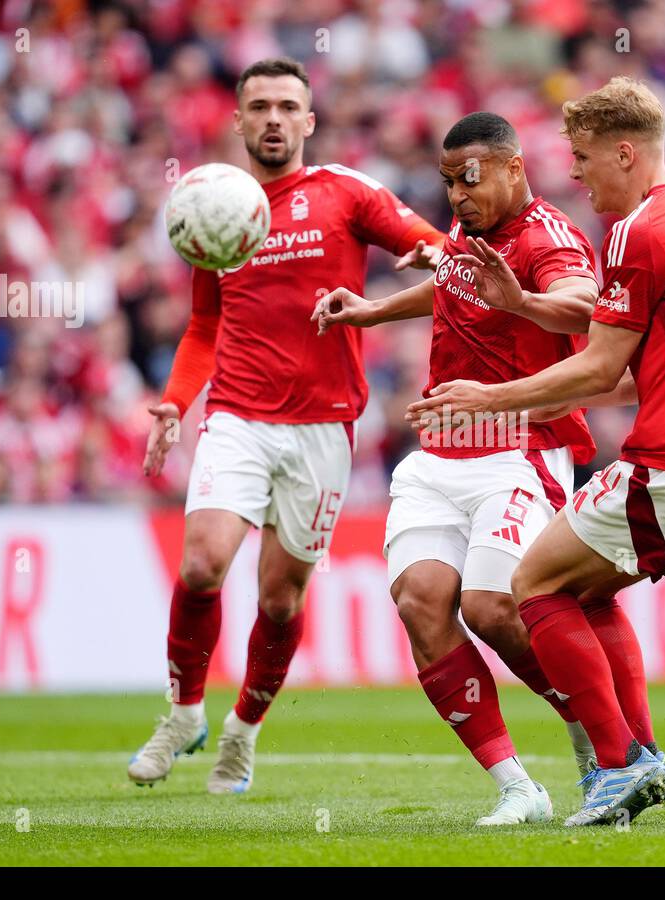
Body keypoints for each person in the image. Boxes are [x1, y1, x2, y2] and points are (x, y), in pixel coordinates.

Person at [407, 78, 665, 826]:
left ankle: (618, 764)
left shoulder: (635, 231)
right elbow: (632, 376)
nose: (574, 174)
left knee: (530, 585)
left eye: (583, 158)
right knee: (586, 588)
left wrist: (489, 397)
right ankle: (639, 755)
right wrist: (532, 356)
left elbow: (599, 366)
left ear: (625, 152)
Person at [129, 57, 445, 794]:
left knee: (280, 599)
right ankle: (182, 712)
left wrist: (432, 253)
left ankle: (242, 730)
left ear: (308, 120)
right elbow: (206, 323)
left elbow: (426, 245)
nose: (273, 118)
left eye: (287, 106)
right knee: (202, 563)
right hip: (236, 414)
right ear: (238, 120)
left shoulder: (345, 193)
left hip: (323, 426)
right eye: (259, 106)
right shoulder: (213, 204)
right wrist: (177, 402)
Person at [313, 112, 600, 825]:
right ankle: (517, 789)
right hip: (441, 451)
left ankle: (598, 740)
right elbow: (449, 284)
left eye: (469, 177)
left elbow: (583, 309)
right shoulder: (469, 239)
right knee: (420, 603)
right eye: (447, 181)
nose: (456, 195)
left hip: (522, 447)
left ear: (512, 168)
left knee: (490, 606)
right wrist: (372, 311)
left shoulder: (548, 237)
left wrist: (522, 302)